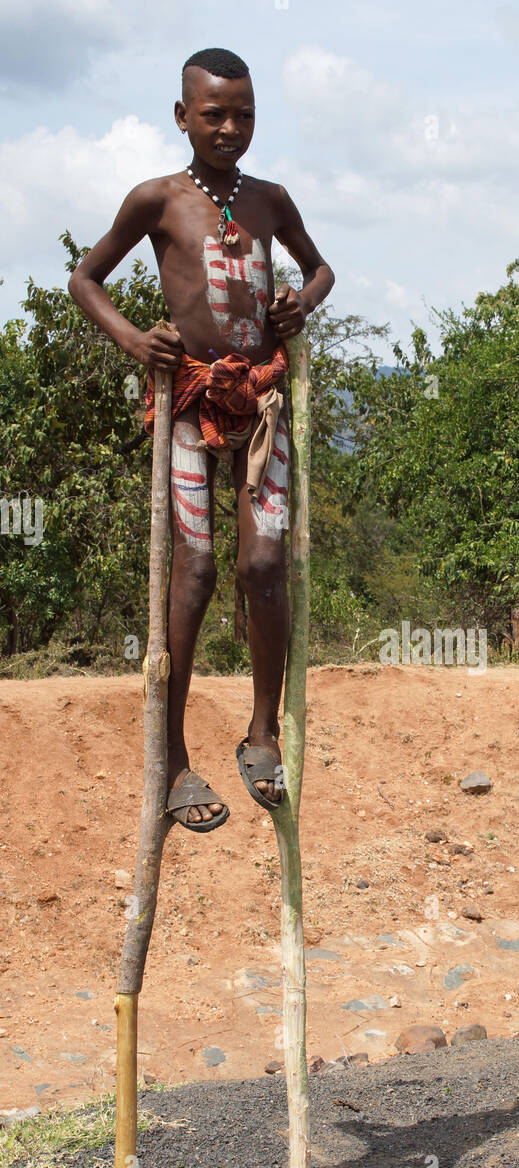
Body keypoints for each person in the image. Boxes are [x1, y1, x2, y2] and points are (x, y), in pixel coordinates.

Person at [69, 47, 334, 830]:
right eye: (213, 114)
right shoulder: (157, 199)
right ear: (182, 116)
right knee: (195, 571)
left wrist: (299, 305)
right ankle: (176, 758)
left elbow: (320, 271)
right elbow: (86, 279)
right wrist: (129, 339)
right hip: (189, 400)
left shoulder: (271, 200)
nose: (229, 128)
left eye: (244, 114)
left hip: (262, 405)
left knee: (264, 561)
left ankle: (261, 732)